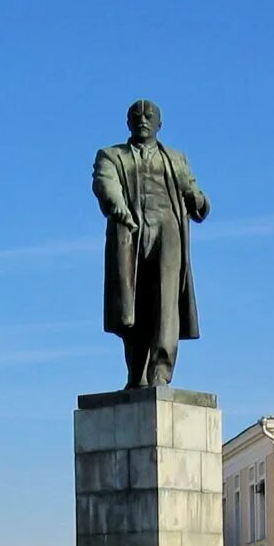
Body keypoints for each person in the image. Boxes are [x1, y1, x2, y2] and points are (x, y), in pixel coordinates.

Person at [92, 100, 210, 389]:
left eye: (149, 116)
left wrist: (198, 200)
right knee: (131, 309)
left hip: (168, 230)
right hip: (130, 232)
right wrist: (121, 211)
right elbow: (106, 185)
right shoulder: (111, 155)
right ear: (128, 122)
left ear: (159, 124)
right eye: (136, 116)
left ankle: (160, 372)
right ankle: (137, 374)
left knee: (165, 303)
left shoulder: (175, 158)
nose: (143, 119)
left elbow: (193, 192)